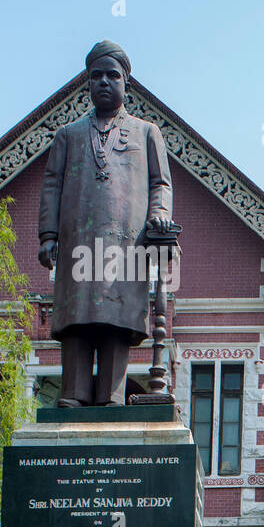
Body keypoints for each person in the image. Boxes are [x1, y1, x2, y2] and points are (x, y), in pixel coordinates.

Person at [38, 40, 175, 406]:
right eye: (95, 75)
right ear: (87, 84)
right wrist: (48, 235)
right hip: (77, 242)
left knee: (117, 316)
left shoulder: (147, 133)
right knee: (78, 316)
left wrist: (159, 213)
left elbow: (160, 183)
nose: (103, 82)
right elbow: (52, 184)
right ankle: (74, 392)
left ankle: (112, 395)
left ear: (126, 84)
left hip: (127, 245)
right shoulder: (68, 136)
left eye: (111, 75)